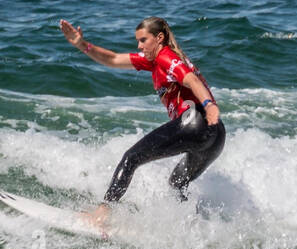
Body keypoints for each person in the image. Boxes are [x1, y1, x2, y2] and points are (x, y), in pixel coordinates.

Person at [58, 16, 226, 232]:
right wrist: (82, 44)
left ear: (159, 38)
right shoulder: (154, 60)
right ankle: (188, 231)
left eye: (143, 40)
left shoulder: (166, 57)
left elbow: (191, 79)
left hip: (195, 122)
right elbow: (113, 59)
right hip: (216, 136)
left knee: (131, 158)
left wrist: (209, 104)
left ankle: (102, 214)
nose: (139, 45)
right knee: (177, 184)